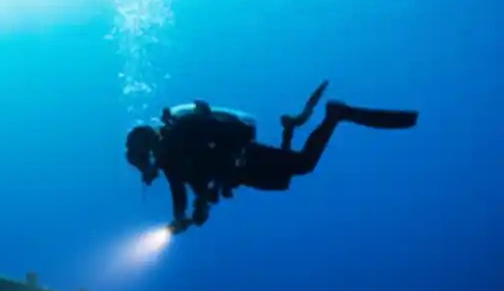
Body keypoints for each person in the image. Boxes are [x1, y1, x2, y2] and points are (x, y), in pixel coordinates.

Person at [124, 81, 419, 234]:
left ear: (150, 147)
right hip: (240, 172)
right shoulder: (170, 161)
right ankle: (290, 129)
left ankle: (334, 115)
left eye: (144, 162)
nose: (147, 171)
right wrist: (182, 217)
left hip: (245, 158)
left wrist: (203, 199)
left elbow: (222, 147)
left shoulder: (181, 135)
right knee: (284, 180)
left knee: (304, 165)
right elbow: (181, 190)